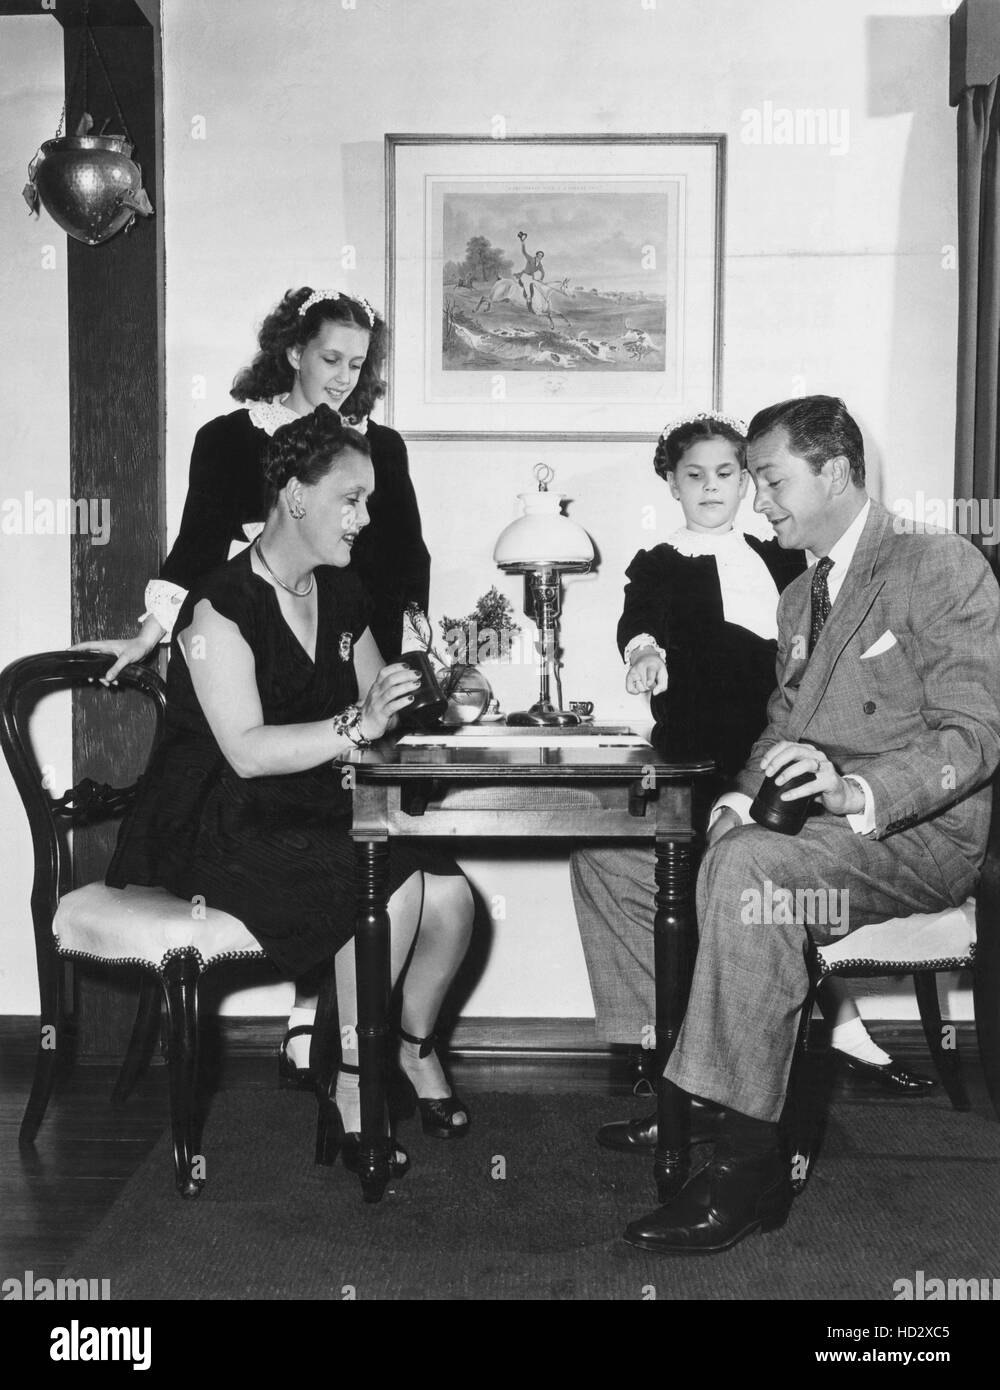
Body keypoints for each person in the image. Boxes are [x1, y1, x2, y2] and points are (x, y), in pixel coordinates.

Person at [620, 394, 1000, 1253]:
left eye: (771, 479)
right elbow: (779, 730)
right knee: (679, 855)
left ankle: (743, 1169)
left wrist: (855, 792)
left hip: (913, 832)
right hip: (817, 828)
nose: (760, 503)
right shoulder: (800, 597)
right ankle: (694, 1106)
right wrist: (732, 801)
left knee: (752, 870)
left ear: (833, 470)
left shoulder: (935, 563)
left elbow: (976, 733)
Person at [106, 407, 473, 1168]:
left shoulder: (342, 596)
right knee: (391, 885)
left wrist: (440, 690)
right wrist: (358, 726)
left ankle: (407, 1046)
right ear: (297, 499)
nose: (365, 519)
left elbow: (385, 712)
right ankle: (345, 1078)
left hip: (302, 808)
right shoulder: (219, 605)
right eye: (352, 499)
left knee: (452, 898)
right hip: (213, 823)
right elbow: (243, 753)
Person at [81, 286, 432, 1079]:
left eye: (358, 363)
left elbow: (402, 559)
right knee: (316, 825)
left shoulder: (379, 448)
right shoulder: (233, 438)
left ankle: (336, 1032)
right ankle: (342, 1057)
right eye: (330, 358)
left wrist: (401, 660)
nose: (344, 377)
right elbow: (198, 540)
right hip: (254, 662)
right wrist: (157, 623)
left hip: (332, 640)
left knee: (381, 844)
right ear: (293, 352)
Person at [574, 412, 934, 1163]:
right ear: (670, 484)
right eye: (695, 475)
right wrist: (644, 654)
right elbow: (639, 624)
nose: (727, 490)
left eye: (744, 476)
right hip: (707, 759)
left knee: (740, 886)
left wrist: (833, 781)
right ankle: (667, 1063)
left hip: (797, 770)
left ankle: (802, 1047)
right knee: (630, 869)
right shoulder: (664, 561)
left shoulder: (798, 564)